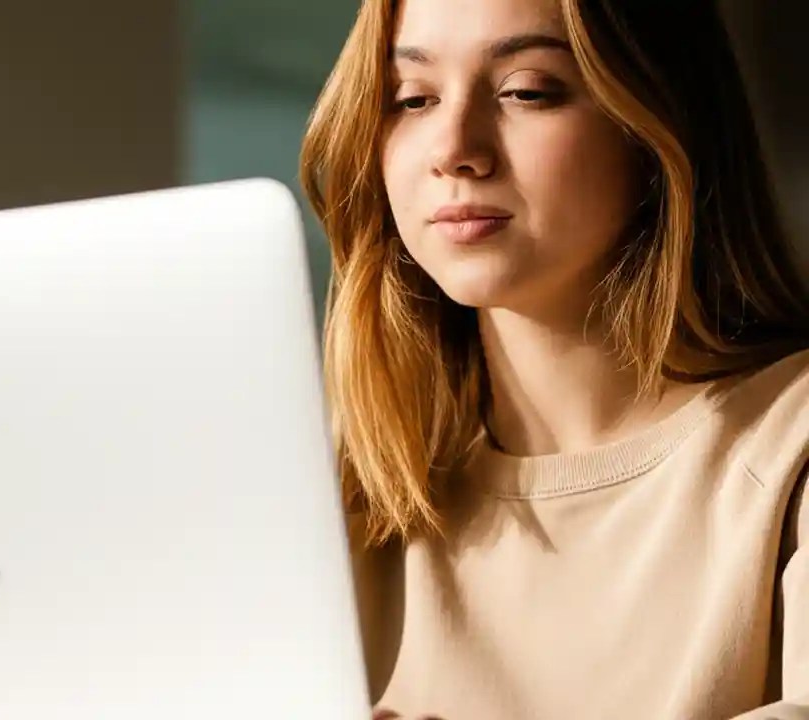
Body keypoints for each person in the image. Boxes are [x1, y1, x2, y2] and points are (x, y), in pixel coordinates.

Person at [298, 0, 809, 717]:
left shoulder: (791, 444)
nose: (454, 149)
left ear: (656, 122)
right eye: (411, 99)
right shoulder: (338, 487)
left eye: (526, 91)